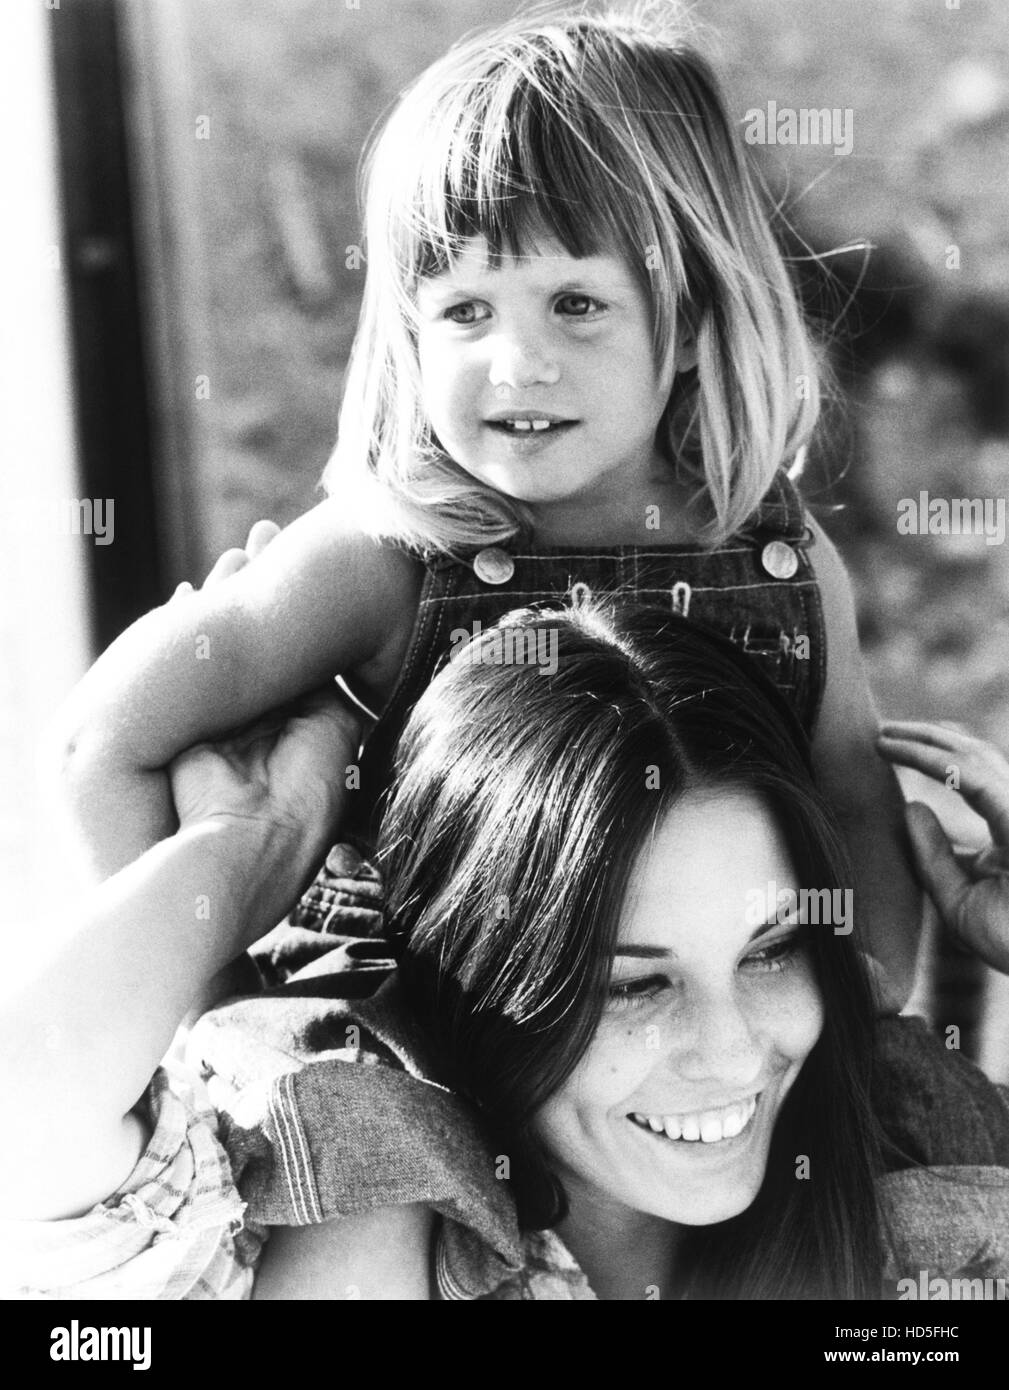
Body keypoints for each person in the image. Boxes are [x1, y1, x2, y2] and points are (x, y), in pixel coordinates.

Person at [52, 5, 928, 1011]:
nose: (517, 364)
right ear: (411, 335)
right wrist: (209, 1013)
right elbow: (104, 743)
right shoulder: (385, 558)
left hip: (686, 1049)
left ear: (689, 321)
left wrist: (860, 1020)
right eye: (466, 311)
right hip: (409, 1067)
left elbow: (854, 800)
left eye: (575, 305)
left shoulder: (775, 557)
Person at [5, 604, 1008, 1300]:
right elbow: (33, 1097)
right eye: (634, 984)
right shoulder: (332, 1213)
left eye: (771, 949)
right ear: (473, 975)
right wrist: (249, 842)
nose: (734, 1050)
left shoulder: (924, 1208)